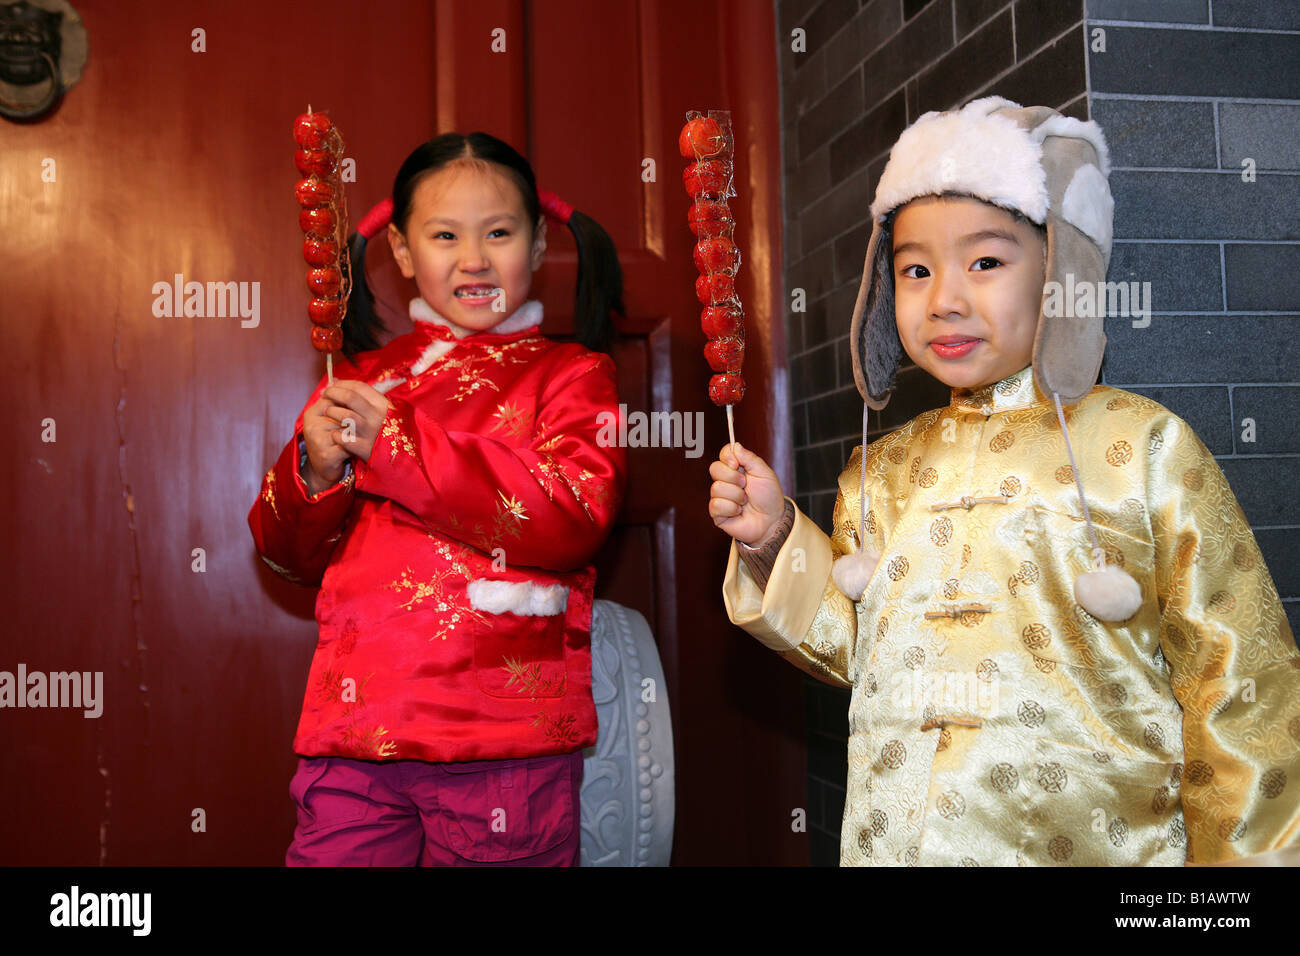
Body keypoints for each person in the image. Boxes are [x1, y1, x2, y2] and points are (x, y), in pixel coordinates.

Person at [709, 97, 1300, 866]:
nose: (945, 299)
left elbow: (1240, 688)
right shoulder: (879, 475)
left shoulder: (1141, 448)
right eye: (916, 270)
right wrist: (774, 540)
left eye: (985, 262)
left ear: (1059, 271)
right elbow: (854, 653)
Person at [248, 131, 627, 866]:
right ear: (400, 248)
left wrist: (394, 446)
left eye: (500, 233)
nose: (474, 259)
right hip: (355, 728)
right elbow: (284, 555)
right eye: (445, 235)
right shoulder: (358, 382)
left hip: (500, 736)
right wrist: (314, 475)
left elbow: (573, 518)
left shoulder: (573, 375)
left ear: (540, 242)